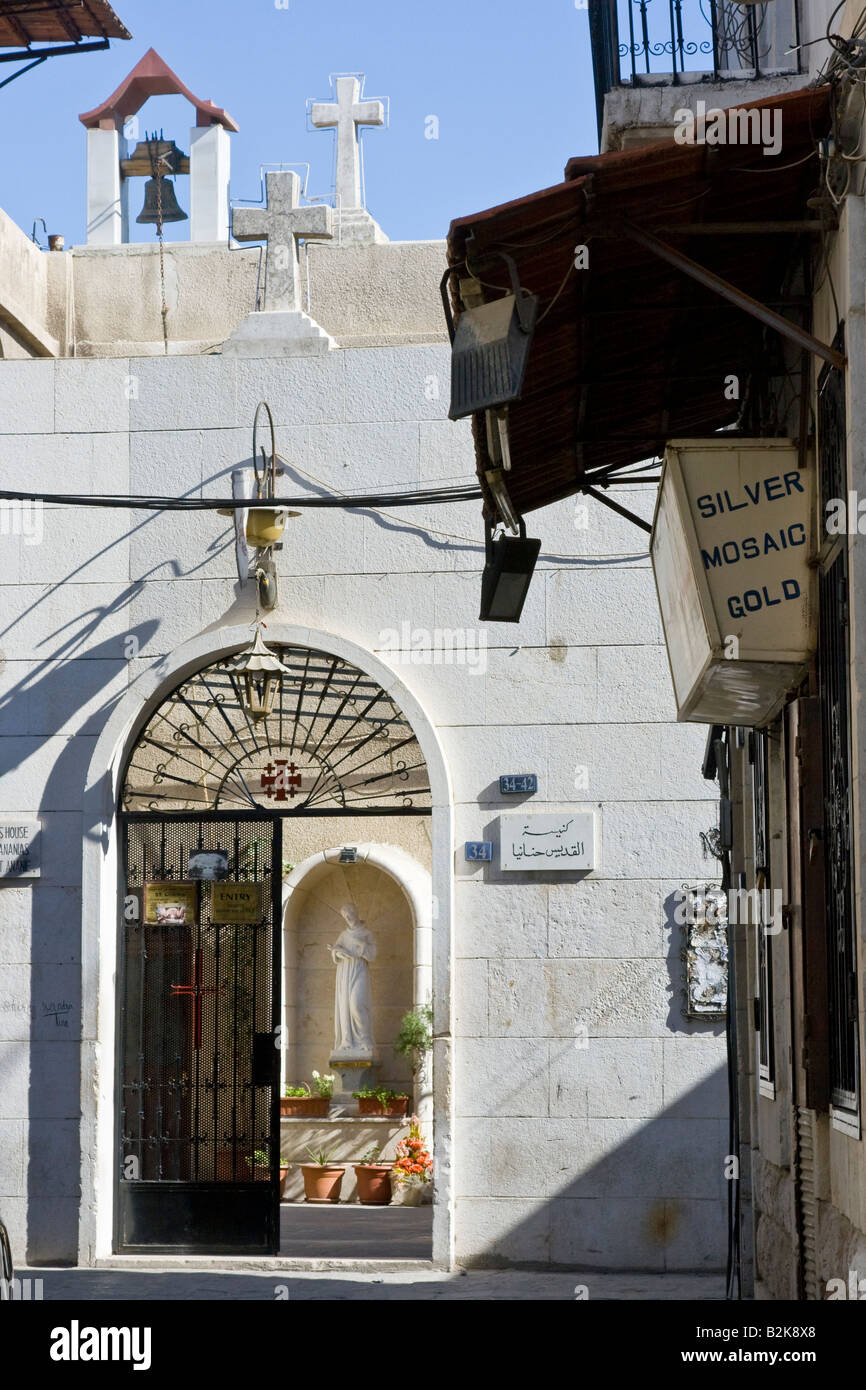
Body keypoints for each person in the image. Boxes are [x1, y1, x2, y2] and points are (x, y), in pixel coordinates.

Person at [327, 904, 376, 1058]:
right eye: (345, 916)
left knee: (356, 1004)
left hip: (359, 969)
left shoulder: (366, 933)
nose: (348, 918)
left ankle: (365, 1040)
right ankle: (347, 1041)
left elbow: (373, 955)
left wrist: (361, 945)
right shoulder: (343, 934)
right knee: (345, 1008)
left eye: (349, 914)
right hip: (344, 972)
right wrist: (337, 953)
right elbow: (335, 950)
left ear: (356, 913)